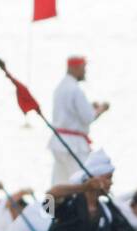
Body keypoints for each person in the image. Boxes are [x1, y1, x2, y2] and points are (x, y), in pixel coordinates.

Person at [50, 56, 108, 186]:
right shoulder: (75, 90)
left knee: (59, 182)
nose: (85, 71)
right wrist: (101, 109)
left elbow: (69, 114)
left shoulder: (59, 88)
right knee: (81, 181)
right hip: (74, 144)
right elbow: (88, 117)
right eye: (83, 67)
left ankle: (52, 201)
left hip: (59, 141)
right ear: (75, 68)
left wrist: (91, 107)